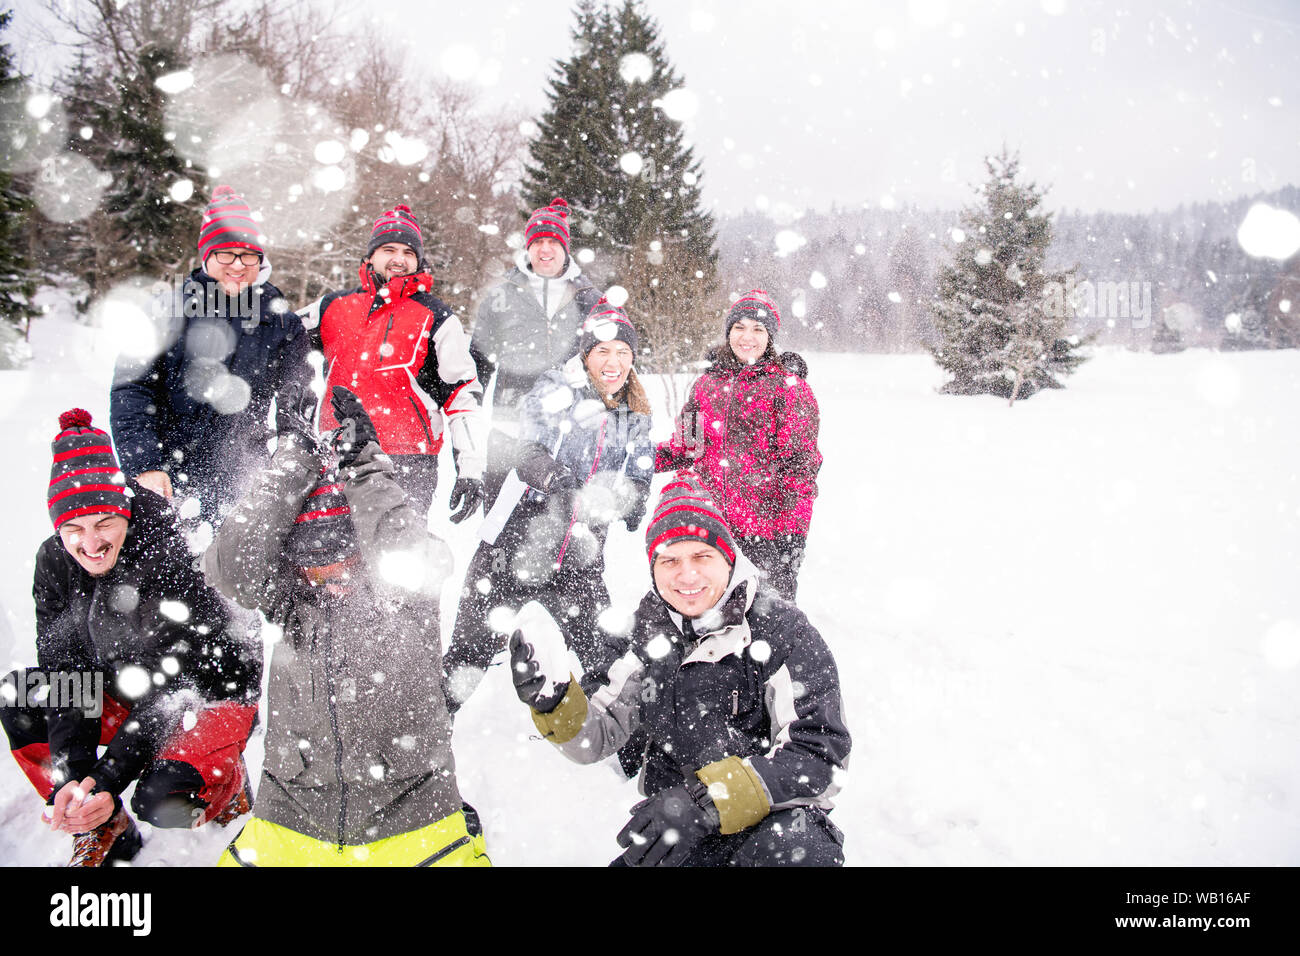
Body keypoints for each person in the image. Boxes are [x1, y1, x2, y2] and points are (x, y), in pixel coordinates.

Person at [205, 385, 488, 866]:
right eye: (314, 566)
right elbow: (233, 570)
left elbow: (405, 548)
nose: (332, 579)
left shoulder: (405, 597)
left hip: (411, 810)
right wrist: (290, 463)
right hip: (291, 813)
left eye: (345, 561)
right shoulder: (292, 603)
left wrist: (366, 468)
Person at [508, 470, 851, 867]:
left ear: (729, 558)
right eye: (669, 559)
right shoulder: (642, 633)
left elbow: (820, 756)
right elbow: (597, 734)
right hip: (676, 832)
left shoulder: (782, 631)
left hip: (769, 828)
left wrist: (708, 801)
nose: (686, 575)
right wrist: (556, 703)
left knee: (801, 851)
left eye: (701, 556)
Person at [0, 410, 261, 866]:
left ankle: (224, 781)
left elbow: (169, 688)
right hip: (126, 685)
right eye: (73, 529)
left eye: (104, 522)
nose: (91, 544)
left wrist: (108, 777)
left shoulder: (165, 551)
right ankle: (99, 823)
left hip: (203, 693)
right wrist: (76, 782)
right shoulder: (55, 562)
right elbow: (67, 672)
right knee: (17, 698)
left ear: (124, 510)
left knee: (163, 800)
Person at [442, 302, 652, 712]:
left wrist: (634, 498)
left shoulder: (635, 411)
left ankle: (622, 740)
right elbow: (528, 448)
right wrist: (555, 478)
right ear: (586, 354)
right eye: (604, 351)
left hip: (581, 548)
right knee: (471, 647)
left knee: (604, 653)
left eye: (623, 353)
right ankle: (429, 731)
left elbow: (641, 465)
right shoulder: (554, 388)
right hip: (516, 537)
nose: (614, 362)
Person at [110, 185, 311, 536]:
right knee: (165, 579)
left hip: (244, 478)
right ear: (207, 256)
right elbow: (131, 390)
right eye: (226, 254)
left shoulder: (282, 322)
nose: (237, 265)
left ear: (260, 261)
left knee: (237, 579)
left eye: (248, 255)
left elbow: (299, 401)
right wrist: (145, 465)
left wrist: (287, 467)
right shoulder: (164, 310)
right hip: (168, 477)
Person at [304, 204, 486, 524]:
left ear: (418, 261)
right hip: (334, 456)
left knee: (398, 568)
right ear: (370, 256)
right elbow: (276, 336)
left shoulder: (437, 318)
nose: (399, 259)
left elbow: (462, 396)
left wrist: (470, 468)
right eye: (388, 249)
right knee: (325, 565)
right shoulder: (332, 307)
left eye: (407, 252)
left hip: (407, 463)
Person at [655, 290, 821, 600]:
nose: (747, 337)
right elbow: (686, 447)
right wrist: (637, 459)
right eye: (739, 327)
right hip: (711, 530)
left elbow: (800, 470)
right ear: (729, 331)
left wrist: (791, 538)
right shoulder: (707, 385)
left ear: (769, 337)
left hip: (766, 537)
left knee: (768, 626)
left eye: (758, 329)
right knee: (710, 617)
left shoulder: (789, 388)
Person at [469, 197, 603, 508]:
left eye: (553, 242)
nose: (545, 250)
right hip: (508, 426)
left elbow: (608, 366)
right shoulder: (501, 297)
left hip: (566, 432)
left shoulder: (589, 299)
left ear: (565, 248)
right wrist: (468, 436)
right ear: (527, 248)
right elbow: (477, 366)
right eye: (538, 241)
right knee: (499, 530)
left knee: (561, 532)